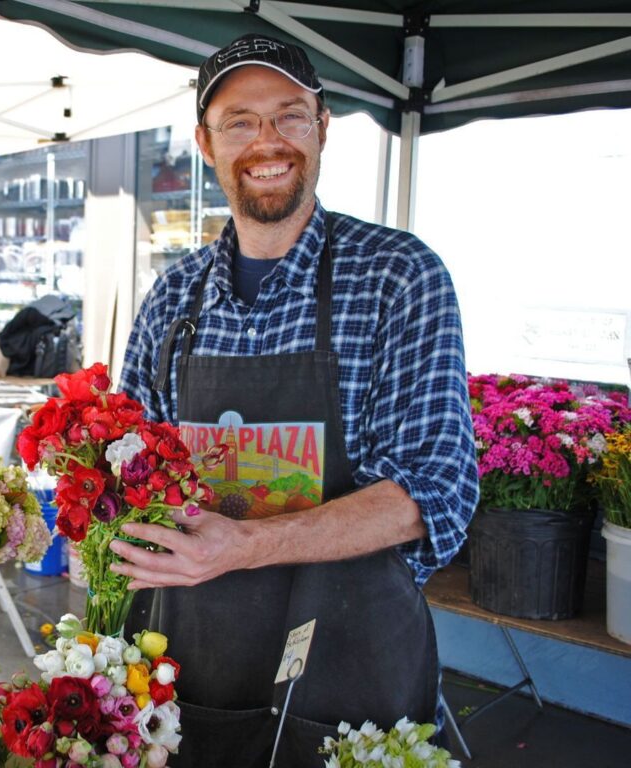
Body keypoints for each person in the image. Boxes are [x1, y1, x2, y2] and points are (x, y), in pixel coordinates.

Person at [112, 33, 479, 768]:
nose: (267, 141)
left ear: (323, 126)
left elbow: (435, 490)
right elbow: (129, 474)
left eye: (289, 116)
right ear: (205, 143)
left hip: (353, 661)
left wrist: (246, 543)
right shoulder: (172, 298)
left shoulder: (397, 278)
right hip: (193, 666)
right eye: (240, 121)